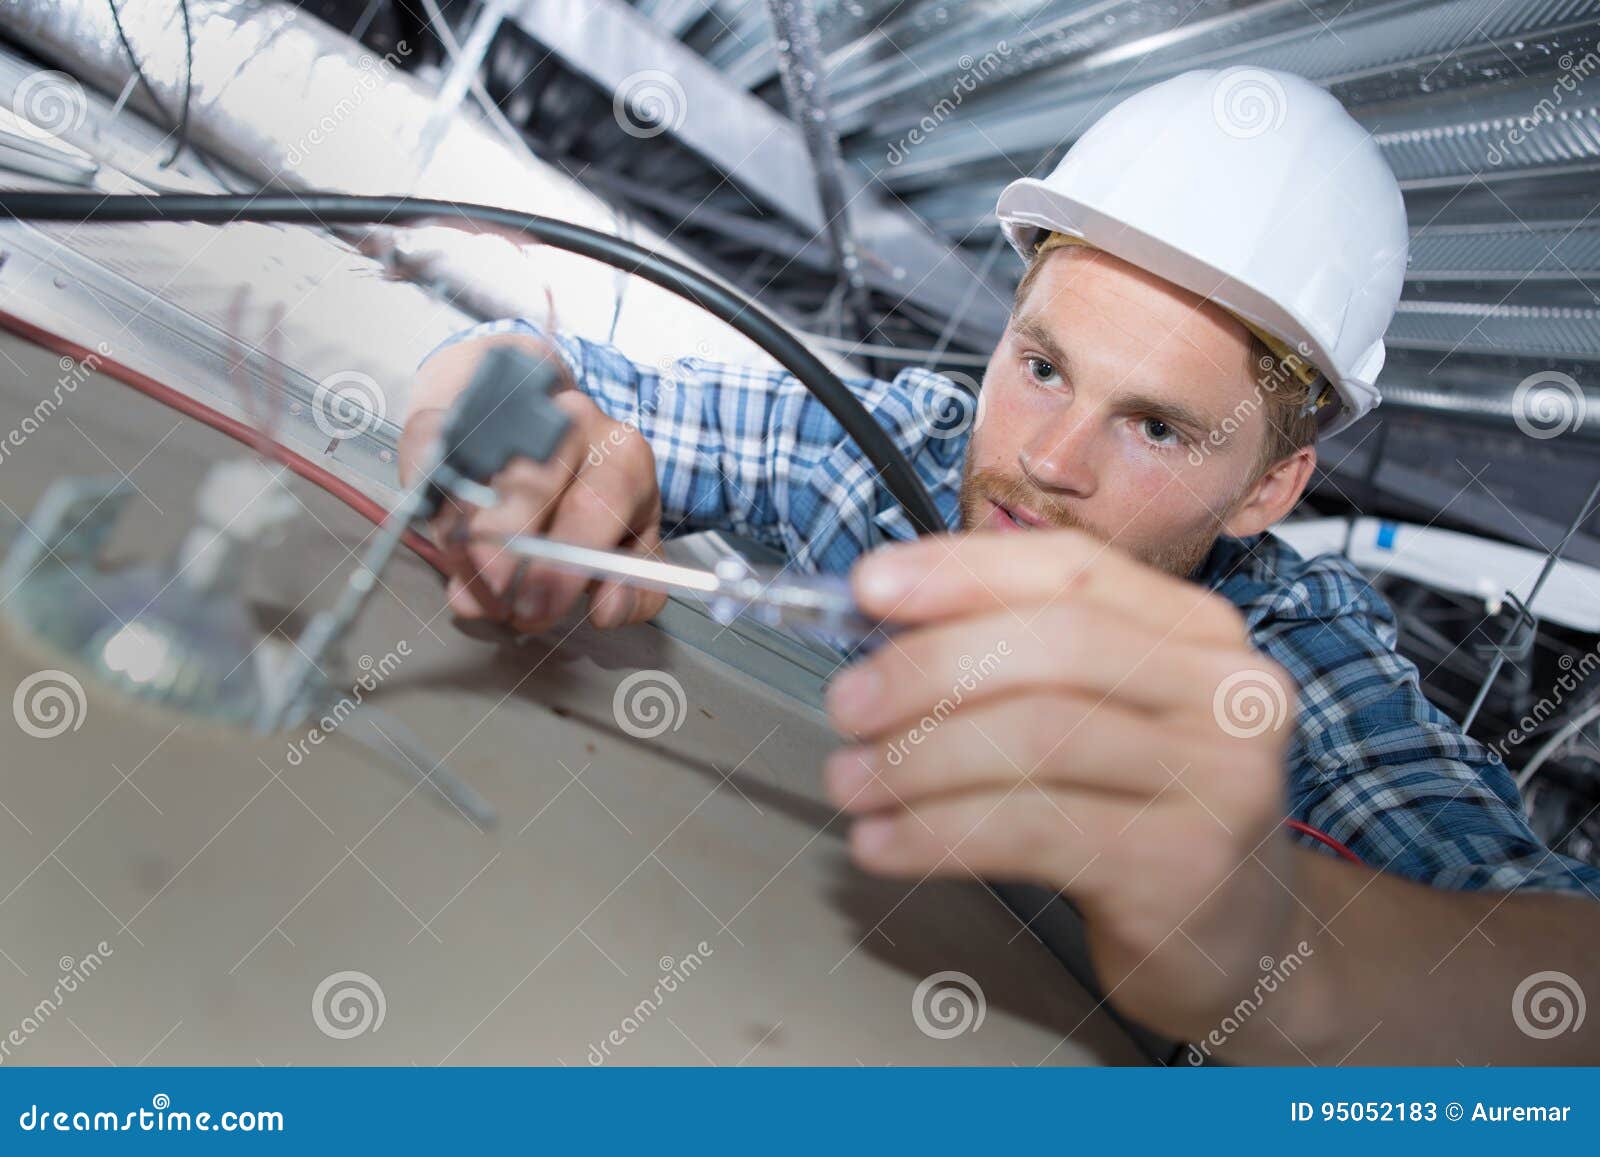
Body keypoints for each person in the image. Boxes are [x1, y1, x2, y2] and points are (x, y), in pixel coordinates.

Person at [398, 66, 1600, 1064]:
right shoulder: (897, 457)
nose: (1047, 459)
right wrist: (513, 443)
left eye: (1158, 427)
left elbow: (1563, 983)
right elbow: (554, 378)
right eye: (1040, 366)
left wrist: (1271, 930)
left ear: (1271, 487)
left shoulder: (1290, 668)